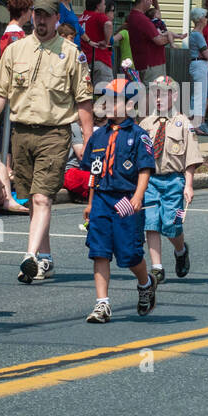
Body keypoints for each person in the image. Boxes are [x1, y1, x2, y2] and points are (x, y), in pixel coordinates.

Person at [0, 0, 94, 284]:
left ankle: (29, 256)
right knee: (33, 199)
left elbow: (83, 102)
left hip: (55, 133)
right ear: (32, 16)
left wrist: (91, 140)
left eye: (47, 15)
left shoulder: (71, 54)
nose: (41, 20)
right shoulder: (16, 50)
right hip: (21, 132)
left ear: (58, 18)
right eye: (37, 15)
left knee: (43, 197)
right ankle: (45, 258)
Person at [80, 78, 157, 323]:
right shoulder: (98, 136)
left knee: (129, 254)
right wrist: (90, 203)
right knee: (99, 251)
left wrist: (137, 196)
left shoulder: (139, 135)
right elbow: (93, 172)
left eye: (116, 100)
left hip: (126, 198)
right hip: (102, 198)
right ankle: (102, 304)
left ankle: (145, 283)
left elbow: (145, 168)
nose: (109, 105)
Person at [138, 76, 203, 284]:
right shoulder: (146, 123)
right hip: (150, 180)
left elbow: (190, 156)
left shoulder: (184, 123)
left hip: (174, 181)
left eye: (163, 94)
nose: (158, 99)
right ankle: (157, 267)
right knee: (151, 223)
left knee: (171, 224)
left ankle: (180, 250)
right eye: (155, 94)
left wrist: (189, 185)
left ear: (174, 95)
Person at [186, 7, 208, 135]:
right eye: (205, 17)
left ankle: (197, 123)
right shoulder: (197, 35)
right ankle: (195, 124)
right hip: (199, 64)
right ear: (200, 19)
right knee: (199, 95)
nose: (206, 19)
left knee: (201, 95)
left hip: (200, 65)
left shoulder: (197, 34)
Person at [126, 0, 168, 78]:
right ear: (144, 0)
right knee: (154, 90)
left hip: (142, 62)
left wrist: (157, 7)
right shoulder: (142, 20)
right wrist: (170, 37)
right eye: (150, 0)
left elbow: (157, 20)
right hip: (152, 64)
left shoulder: (133, 16)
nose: (151, 2)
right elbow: (159, 40)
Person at [78, 0, 113, 87]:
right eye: (104, 4)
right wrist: (106, 41)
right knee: (105, 97)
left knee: (87, 96)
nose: (105, 6)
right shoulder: (99, 16)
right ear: (98, 6)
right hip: (100, 59)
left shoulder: (81, 17)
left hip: (84, 61)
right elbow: (108, 24)